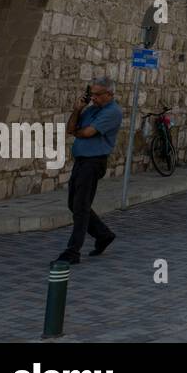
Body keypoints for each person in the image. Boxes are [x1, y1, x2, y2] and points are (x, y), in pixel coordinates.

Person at [57, 76, 124, 264]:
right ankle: (103, 235)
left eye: (97, 94)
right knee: (73, 203)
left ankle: (73, 251)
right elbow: (71, 128)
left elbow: (87, 133)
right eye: (91, 93)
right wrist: (78, 109)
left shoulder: (113, 112)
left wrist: (78, 131)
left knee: (81, 206)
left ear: (109, 94)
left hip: (93, 162)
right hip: (81, 161)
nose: (93, 97)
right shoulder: (92, 109)